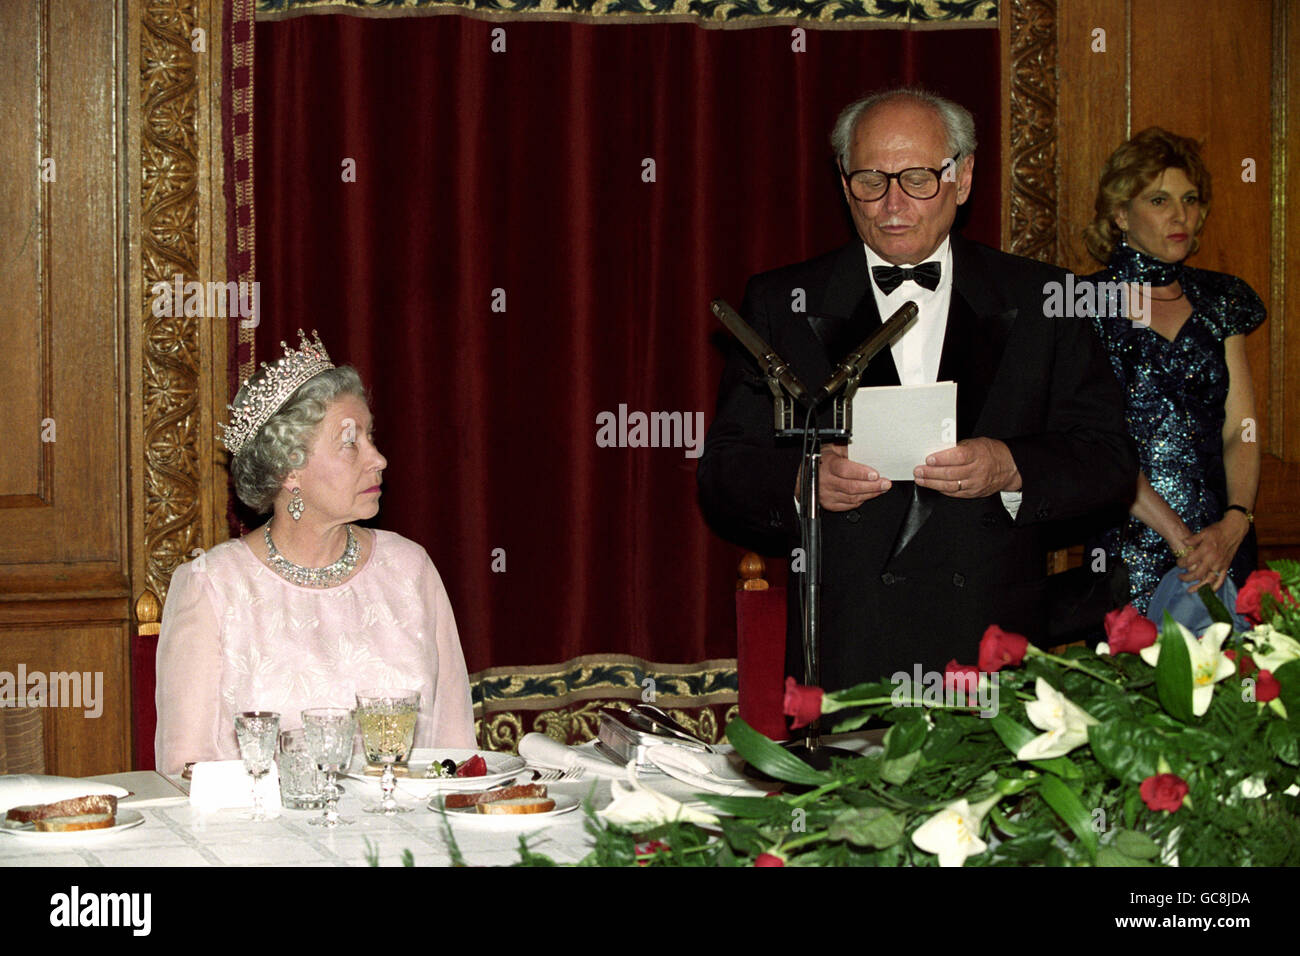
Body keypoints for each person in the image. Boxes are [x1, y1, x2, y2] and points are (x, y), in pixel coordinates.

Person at [697, 88, 1138, 691]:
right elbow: (724, 472)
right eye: (870, 180)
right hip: (846, 650)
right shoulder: (782, 302)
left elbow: (1110, 463)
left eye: (918, 178)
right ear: (843, 180)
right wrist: (804, 481)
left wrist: (1010, 467)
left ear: (963, 177)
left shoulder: (1045, 300)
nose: (892, 204)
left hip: (991, 647)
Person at [155, 331, 475, 773]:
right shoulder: (213, 587)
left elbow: (456, 752)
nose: (378, 458)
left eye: (371, 437)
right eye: (350, 443)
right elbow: (185, 771)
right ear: (290, 469)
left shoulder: (409, 570)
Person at [1082, 128, 1263, 615]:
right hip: (1131, 544)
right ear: (1121, 213)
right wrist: (1182, 541)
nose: (1180, 215)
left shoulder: (1222, 300)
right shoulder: (1085, 306)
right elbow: (1098, 445)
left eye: (1190, 199)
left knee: (1236, 683)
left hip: (1223, 542)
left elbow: (1240, 431)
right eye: (1159, 200)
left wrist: (1235, 523)